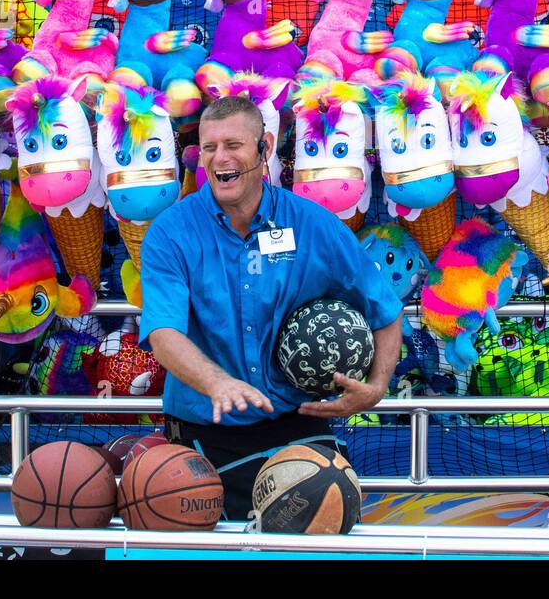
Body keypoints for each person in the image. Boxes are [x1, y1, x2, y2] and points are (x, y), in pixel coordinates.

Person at [139, 95, 403, 520]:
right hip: (205, 430)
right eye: (209, 148)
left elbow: (384, 309)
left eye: (232, 145)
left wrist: (375, 388)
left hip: (297, 422)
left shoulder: (313, 224)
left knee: (321, 528)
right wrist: (217, 384)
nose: (219, 158)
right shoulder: (170, 233)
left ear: (263, 148)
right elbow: (163, 333)